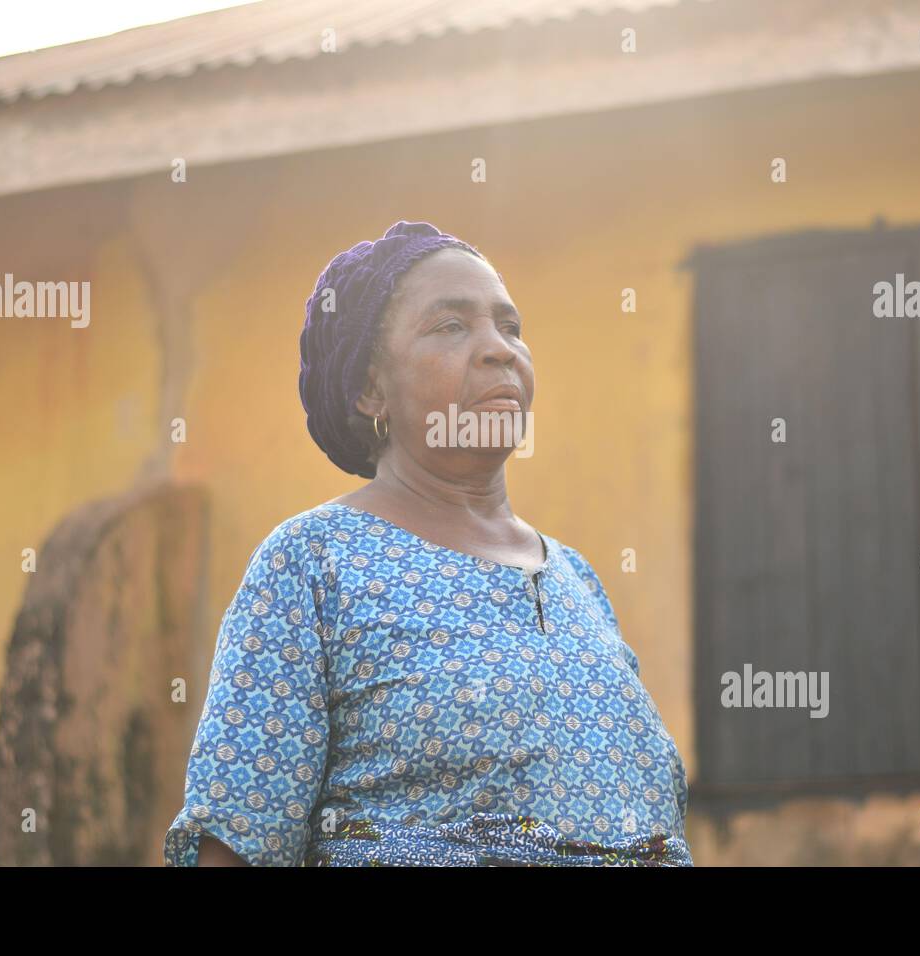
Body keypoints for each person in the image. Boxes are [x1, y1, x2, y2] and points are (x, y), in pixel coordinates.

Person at [163, 220, 692, 866]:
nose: (500, 349)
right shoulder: (313, 564)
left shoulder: (576, 578)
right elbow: (235, 843)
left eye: (511, 326)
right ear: (369, 388)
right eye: (450, 326)